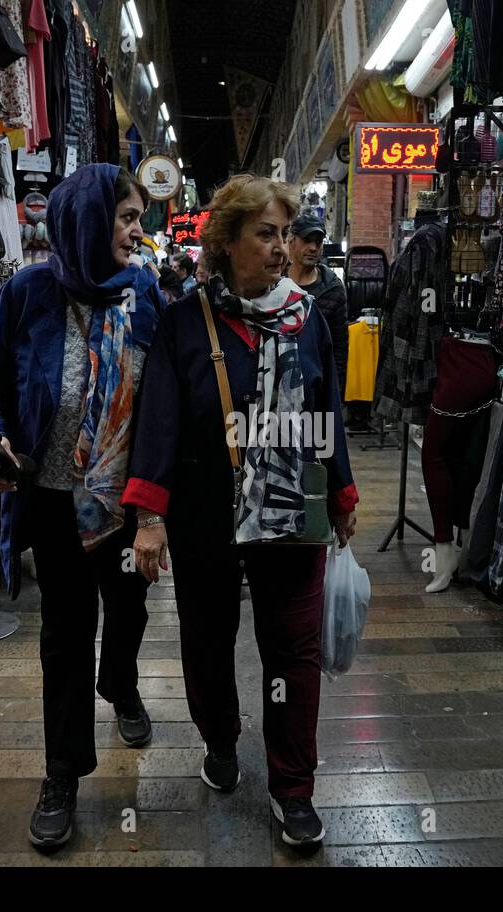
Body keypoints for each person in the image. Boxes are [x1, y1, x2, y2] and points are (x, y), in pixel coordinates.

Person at [121, 174, 359, 848]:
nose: (282, 248)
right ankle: (220, 737)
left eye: (286, 234)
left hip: (292, 513)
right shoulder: (183, 324)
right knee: (207, 635)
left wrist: (340, 491)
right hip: (205, 512)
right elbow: (160, 419)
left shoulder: (308, 318)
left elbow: (326, 409)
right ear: (226, 242)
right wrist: (149, 515)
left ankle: (293, 786)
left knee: (294, 649)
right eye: (266, 234)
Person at [0, 163, 163, 851]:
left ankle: (123, 684)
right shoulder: (27, 292)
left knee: (131, 612)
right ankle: (62, 774)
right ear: (86, 219)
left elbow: (160, 398)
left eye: (140, 218)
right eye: (128, 217)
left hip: (126, 505)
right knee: (66, 636)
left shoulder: (143, 293)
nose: (139, 231)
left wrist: (158, 505)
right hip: (52, 504)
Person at [286, 211, 350, 391]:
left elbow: (339, 348)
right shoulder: (274, 283)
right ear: (291, 242)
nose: (313, 248)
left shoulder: (333, 288)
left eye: (318, 242)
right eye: (307, 241)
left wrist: (335, 393)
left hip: (317, 382)